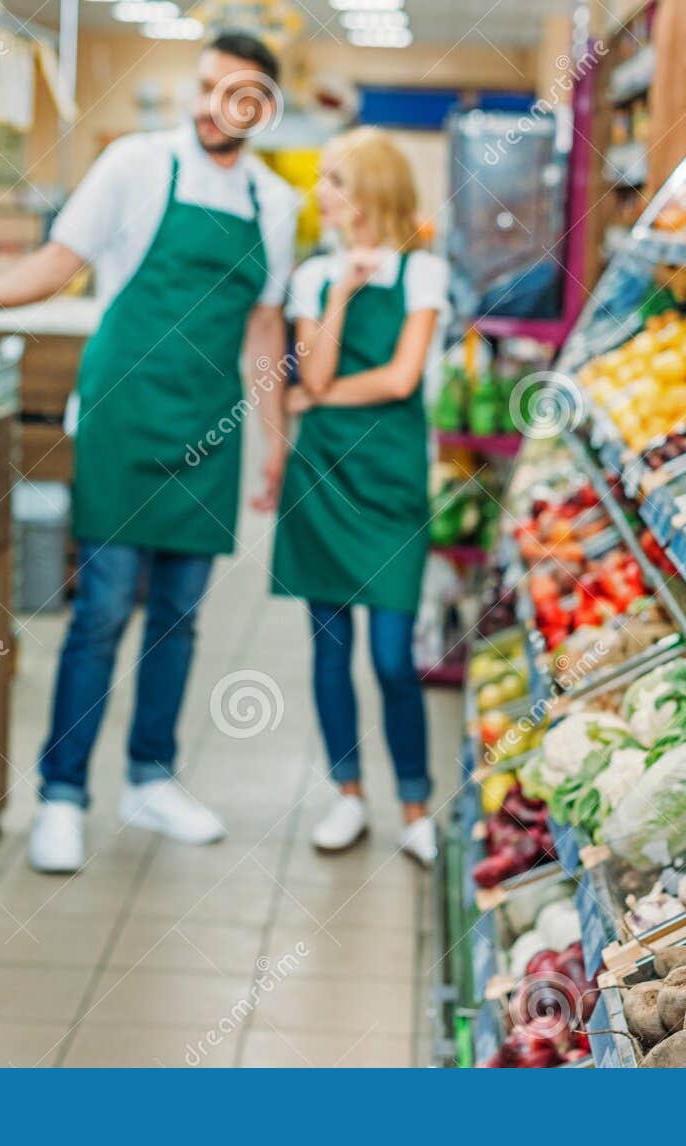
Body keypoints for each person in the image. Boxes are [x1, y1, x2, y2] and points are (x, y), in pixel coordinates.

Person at [0, 32, 301, 873]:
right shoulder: (136, 165)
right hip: (125, 415)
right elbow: (60, 262)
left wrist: (275, 441)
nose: (210, 107)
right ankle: (63, 793)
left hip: (210, 430)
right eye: (203, 87)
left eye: (233, 94)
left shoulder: (273, 206)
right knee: (101, 612)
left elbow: (266, 327)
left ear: (262, 109)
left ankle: (150, 776)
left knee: (180, 617)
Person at [269, 128, 450, 865]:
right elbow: (308, 380)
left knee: (390, 656)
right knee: (329, 647)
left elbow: (401, 380)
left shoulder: (424, 274)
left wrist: (319, 397)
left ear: (373, 188)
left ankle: (415, 803)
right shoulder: (314, 276)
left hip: (392, 478)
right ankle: (347, 795)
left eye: (336, 179)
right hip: (323, 481)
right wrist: (342, 291)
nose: (324, 193)